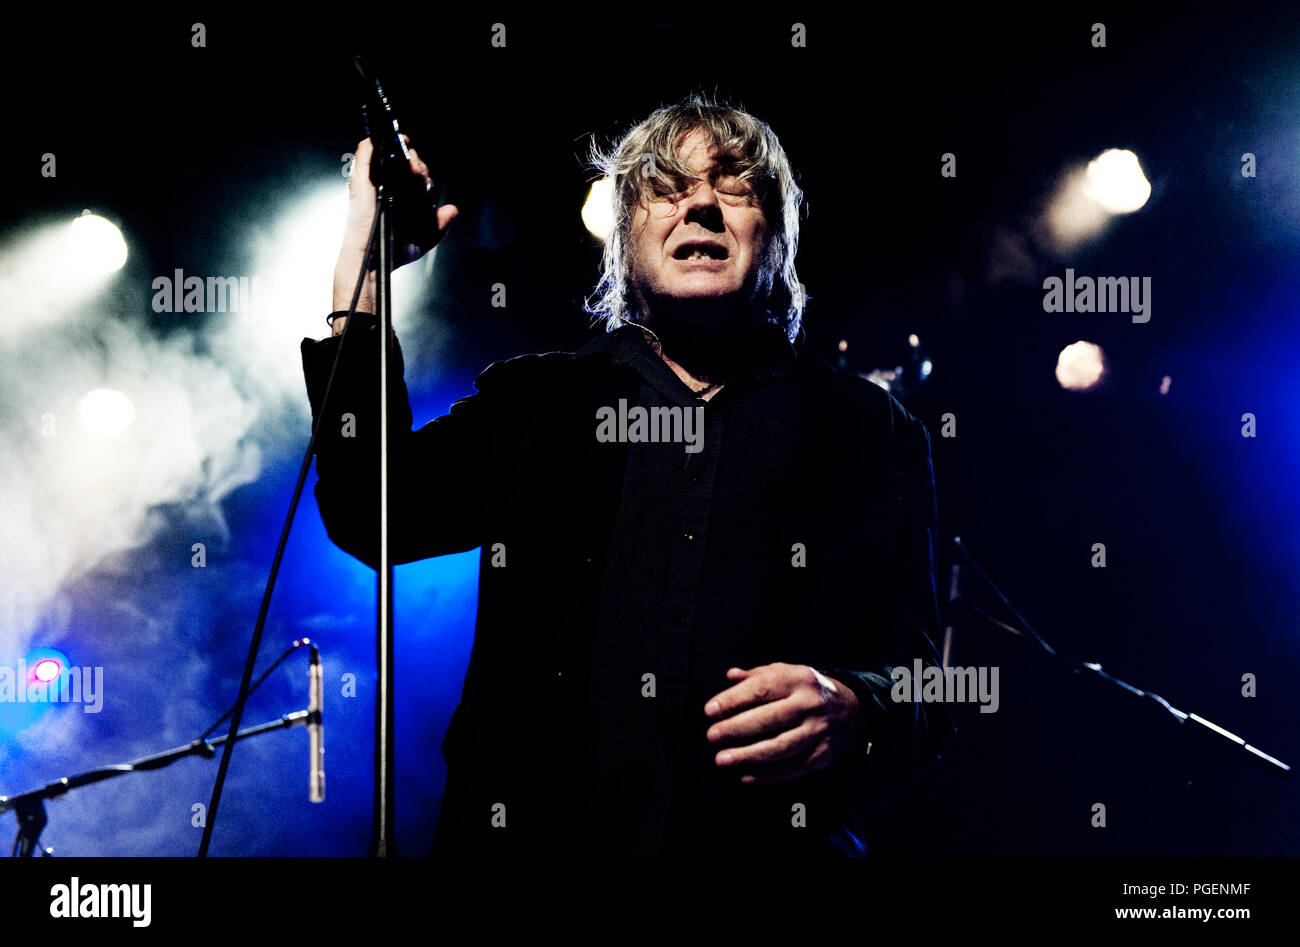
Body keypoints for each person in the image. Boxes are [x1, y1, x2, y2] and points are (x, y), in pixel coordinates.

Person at [301, 94, 949, 855]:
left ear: (775, 235)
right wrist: (363, 261)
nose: (702, 203)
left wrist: (855, 706)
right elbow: (369, 508)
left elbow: (928, 691)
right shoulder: (535, 405)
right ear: (624, 237)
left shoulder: (866, 430)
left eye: (736, 185)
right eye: (667, 187)